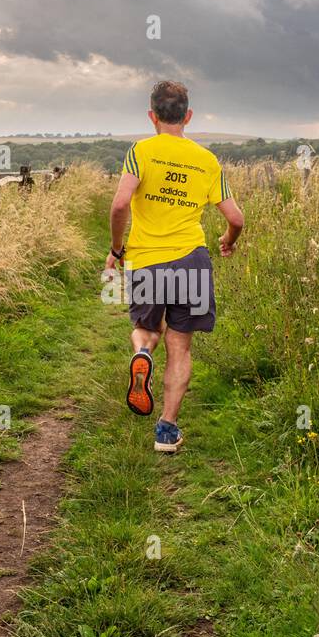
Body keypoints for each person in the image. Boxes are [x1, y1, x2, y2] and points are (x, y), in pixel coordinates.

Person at [105, 80, 244, 452]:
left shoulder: (141, 151)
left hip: (148, 260)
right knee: (180, 346)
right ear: (188, 116)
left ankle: (143, 354)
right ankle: (166, 430)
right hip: (192, 262)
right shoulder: (207, 160)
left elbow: (119, 206)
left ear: (152, 116)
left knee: (145, 329)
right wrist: (228, 242)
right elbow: (237, 217)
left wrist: (117, 251)